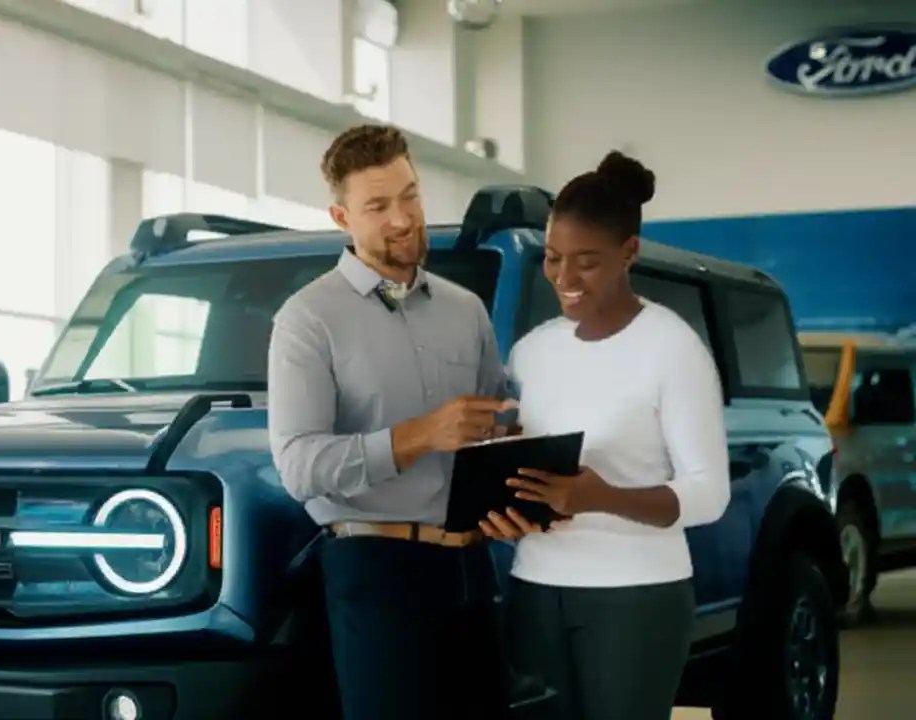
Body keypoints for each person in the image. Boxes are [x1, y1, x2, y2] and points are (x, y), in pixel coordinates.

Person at [266, 123, 540, 720]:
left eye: (410, 195)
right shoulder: (308, 319)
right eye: (378, 206)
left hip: (470, 571)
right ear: (342, 217)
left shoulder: (466, 311)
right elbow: (298, 467)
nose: (402, 218)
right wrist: (420, 436)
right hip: (375, 574)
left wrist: (516, 472)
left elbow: (495, 425)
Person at [480, 150, 731, 720]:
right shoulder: (532, 350)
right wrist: (500, 489)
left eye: (587, 262)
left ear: (629, 253)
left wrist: (602, 498)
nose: (564, 279)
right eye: (553, 258)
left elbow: (708, 492)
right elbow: (522, 460)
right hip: (536, 587)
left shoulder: (673, 349)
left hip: (637, 596)